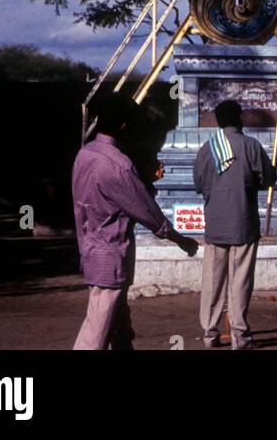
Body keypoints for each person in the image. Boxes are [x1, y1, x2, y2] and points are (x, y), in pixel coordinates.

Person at [71, 89, 197, 350]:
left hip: (89, 248)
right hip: (111, 253)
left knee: (119, 328)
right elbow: (148, 213)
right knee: (96, 331)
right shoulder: (118, 165)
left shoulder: (85, 154)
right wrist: (180, 239)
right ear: (124, 125)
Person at [193, 99, 277, 350]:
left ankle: (210, 334)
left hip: (216, 224)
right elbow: (268, 178)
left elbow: (198, 185)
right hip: (243, 222)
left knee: (212, 281)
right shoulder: (251, 146)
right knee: (240, 281)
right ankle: (240, 336)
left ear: (218, 121)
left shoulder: (207, 149)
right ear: (239, 118)